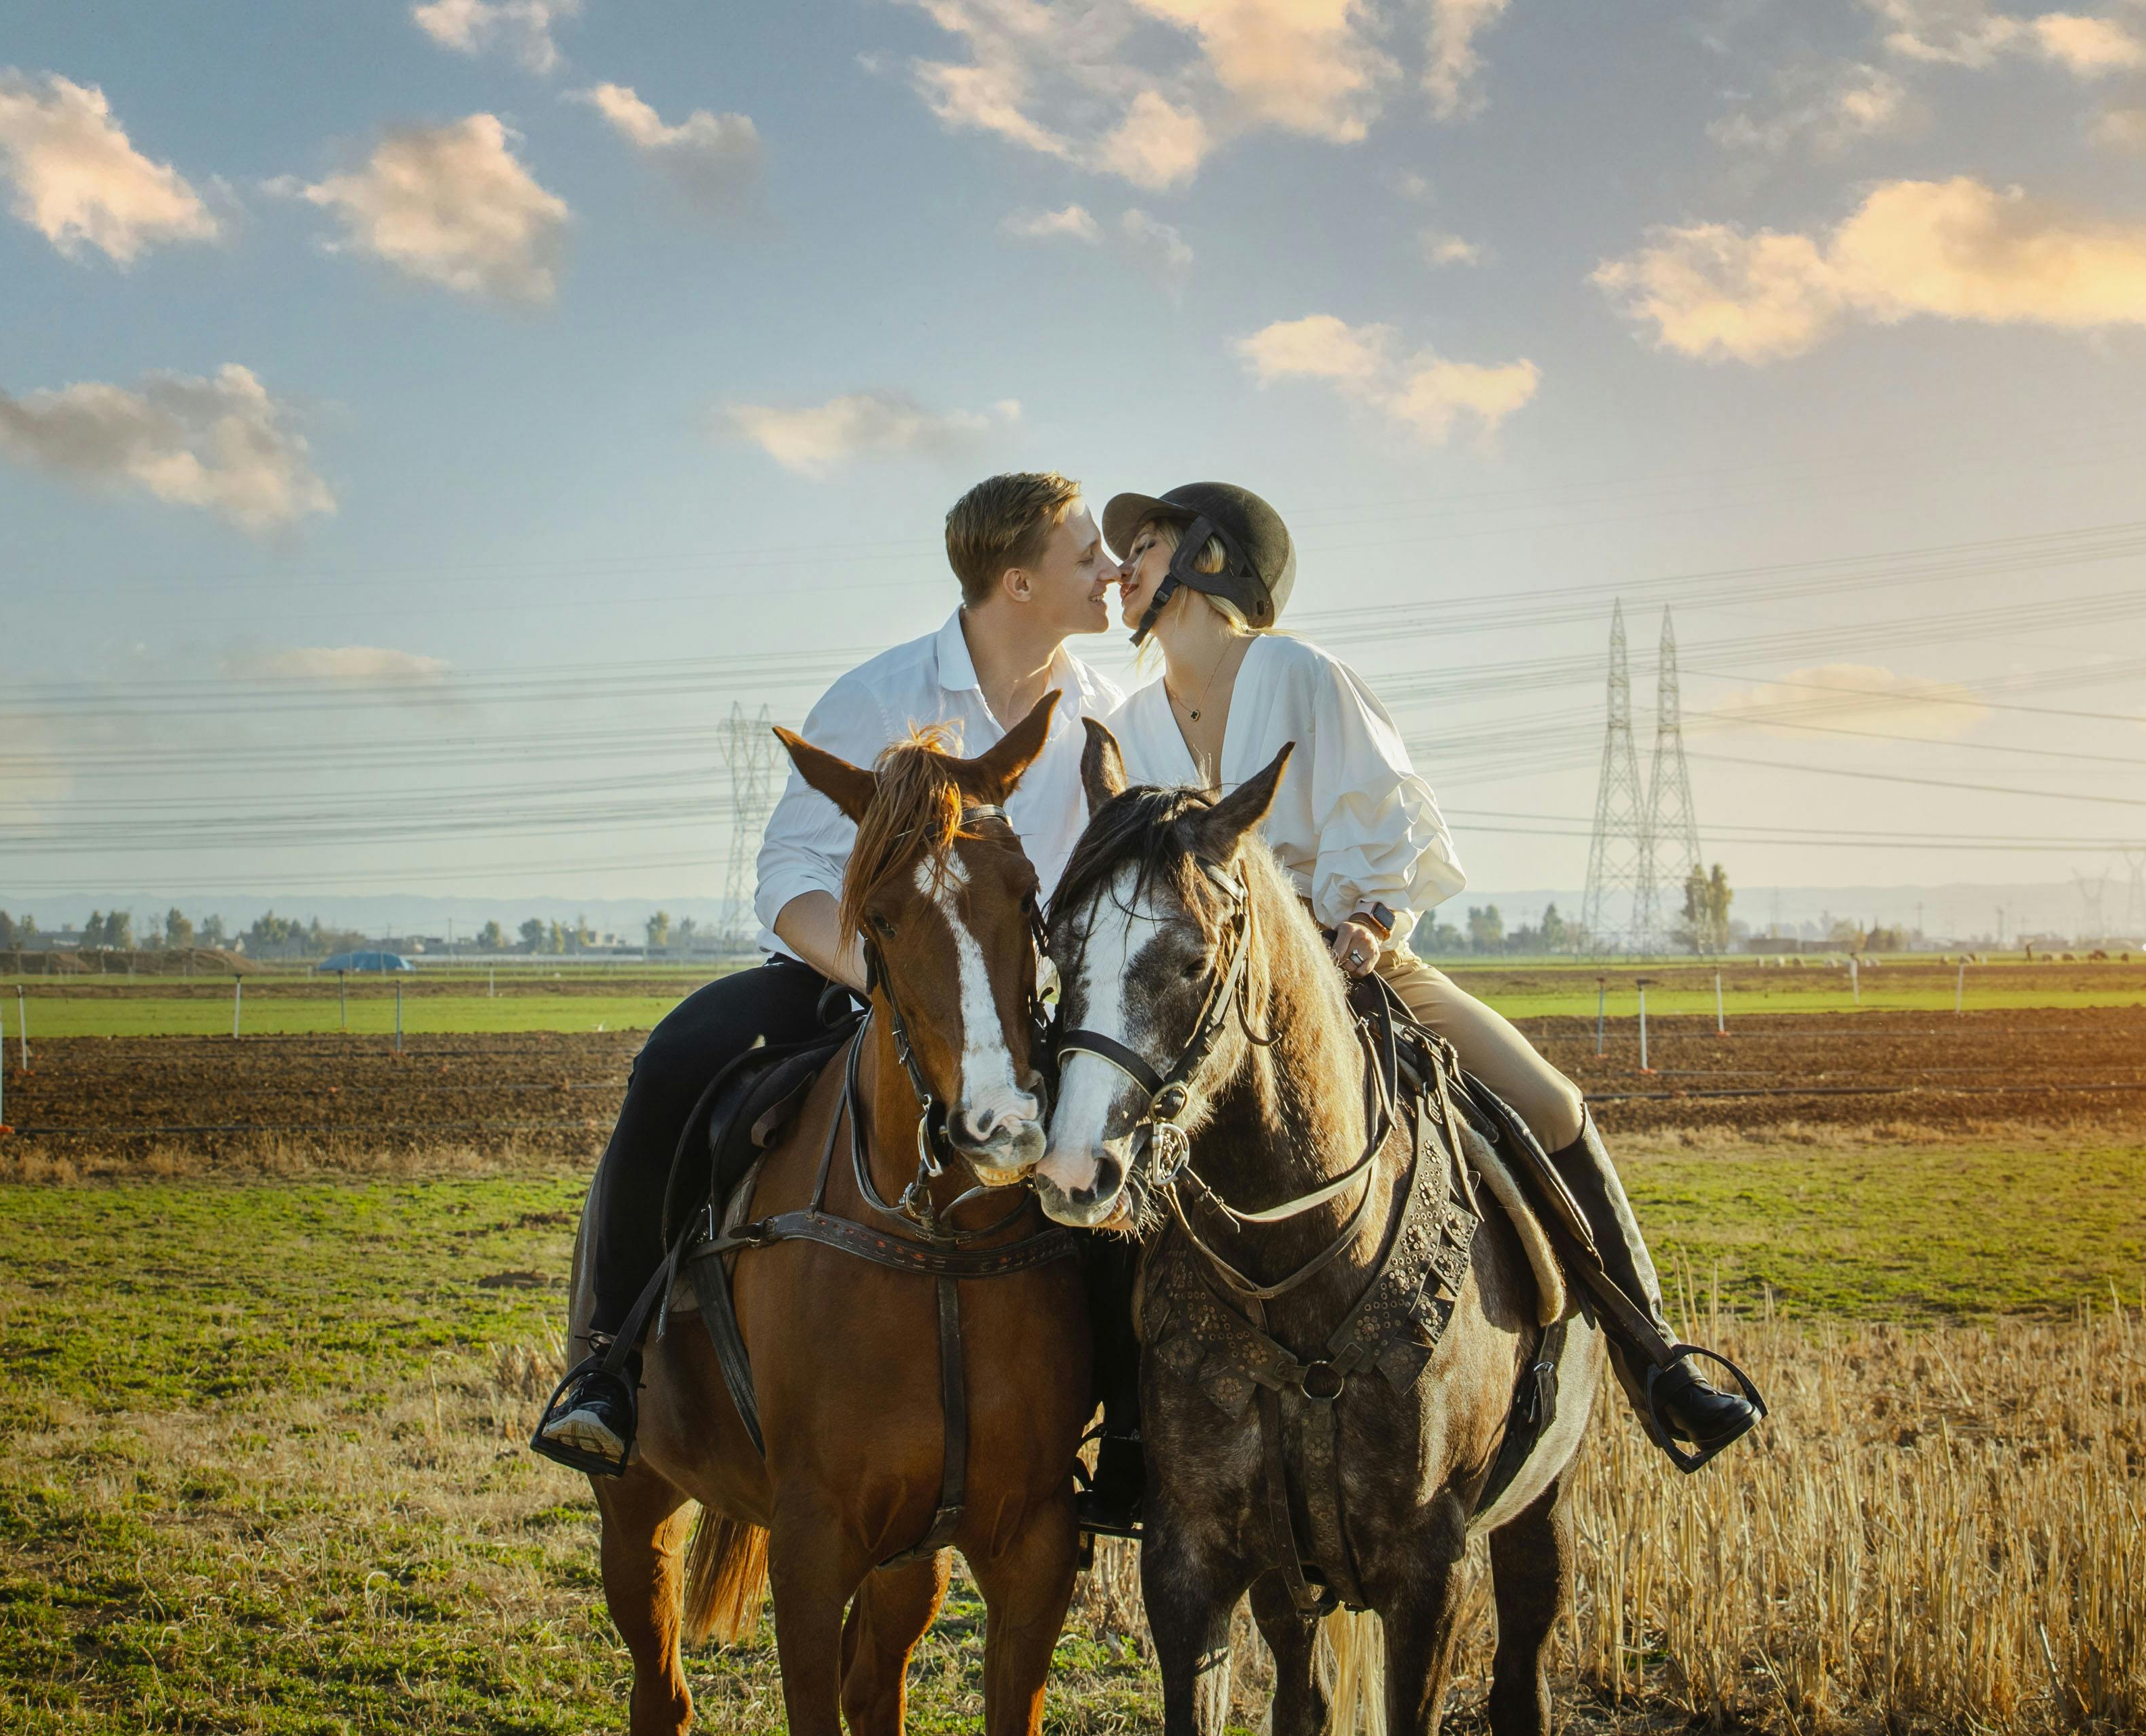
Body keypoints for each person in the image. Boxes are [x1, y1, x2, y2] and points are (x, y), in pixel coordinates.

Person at [1095, 482, 1762, 1471]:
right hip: (1204, 1004)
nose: (1121, 572)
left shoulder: (1302, 675)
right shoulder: (1131, 722)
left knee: (1555, 1103)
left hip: (1355, 972)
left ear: (1207, 560)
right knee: (1104, 1156)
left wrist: (1367, 924)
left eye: (1144, 547)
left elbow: (1396, 826)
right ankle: (1131, 1434)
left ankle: (1654, 1358)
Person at [534, 467, 1152, 1525]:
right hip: (851, 985)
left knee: (1135, 1149)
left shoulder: (1109, 716)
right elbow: (788, 873)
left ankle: (1133, 1439)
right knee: (678, 1058)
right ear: (1016, 582)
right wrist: (882, 979)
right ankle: (606, 1367)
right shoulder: (880, 695)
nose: (1114, 571)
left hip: (1024, 1010)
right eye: (1088, 554)